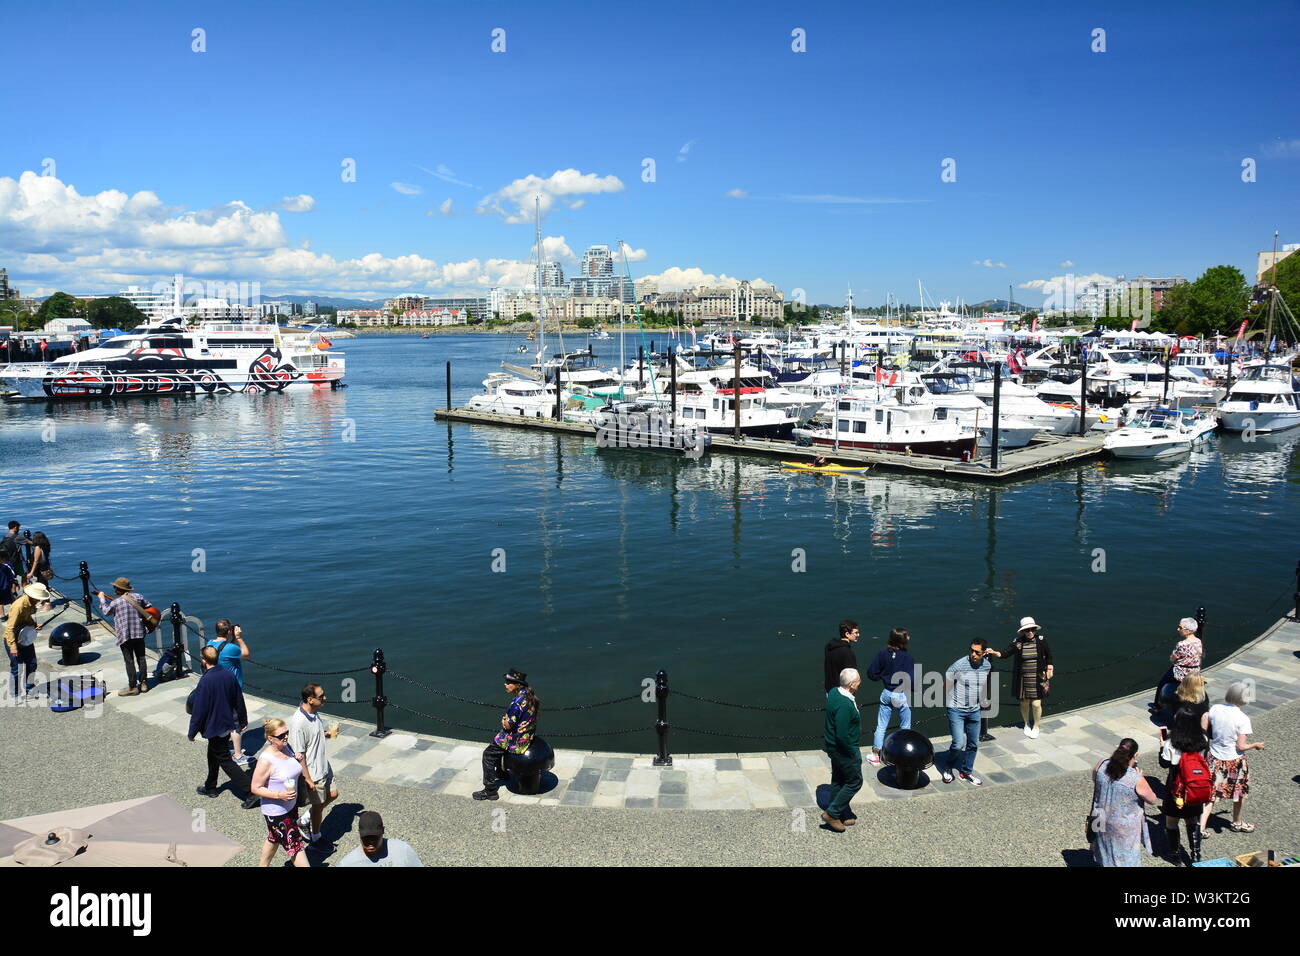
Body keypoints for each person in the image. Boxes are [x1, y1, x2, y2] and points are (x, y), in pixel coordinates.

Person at [187, 645, 259, 809]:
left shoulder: (205, 681)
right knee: (213, 754)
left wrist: (192, 732)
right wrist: (242, 720)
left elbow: (199, 710)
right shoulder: (227, 674)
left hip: (214, 726)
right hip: (227, 723)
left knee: (225, 760)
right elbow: (238, 699)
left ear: (204, 661)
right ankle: (211, 786)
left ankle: (250, 792)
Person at [1199, 682, 1265, 834]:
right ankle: (1237, 822)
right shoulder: (1243, 719)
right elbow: (1240, 747)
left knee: (1211, 794)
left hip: (1214, 757)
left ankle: (1201, 827)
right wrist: (1255, 745)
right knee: (1239, 793)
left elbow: (1205, 723)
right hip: (1234, 761)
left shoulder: (1215, 708)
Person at [251, 717, 312, 868]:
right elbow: (255, 788)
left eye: (287, 733)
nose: (285, 737)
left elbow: (287, 768)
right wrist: (280, 795)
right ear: (271, 738)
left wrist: (296, 759)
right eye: (281, 735)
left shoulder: (285, 747)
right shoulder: (265, 760)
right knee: (296, 846)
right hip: (276, 812)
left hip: (290, 806)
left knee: (274, 837)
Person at [1090, 738, 1158, 867]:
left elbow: (1095, 780)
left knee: (1104, 851)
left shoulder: (1102, 764)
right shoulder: (1135, 778)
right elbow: (1152, 799)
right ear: (1135, 755)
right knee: (1125, 858)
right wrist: (1141, 777)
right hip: (1123, 825)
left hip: (1100, 816)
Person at [473, 669, 540, 801]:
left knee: (488, 754)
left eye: (509, 682)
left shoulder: (516, 703)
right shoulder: (530, 696)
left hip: (515, 741)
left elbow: (508, 725)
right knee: (496, 745)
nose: (505, 684)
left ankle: (490, 790)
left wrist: (504, 719)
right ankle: (501, 773)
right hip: (527, 736)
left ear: (517, 685)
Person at [1159, 705, 1212, 864]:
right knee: (1192, 821)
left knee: (1171, 821)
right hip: (1194, 787)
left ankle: (1175, 856)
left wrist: (1161, 746)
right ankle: (1195, 854)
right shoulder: (1203, 739)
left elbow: (1163, 763)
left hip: (1175, 787)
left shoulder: (1171, 742)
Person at [289, 683, 341, 844]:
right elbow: (299, 754)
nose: (325, 698)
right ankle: (316, 837)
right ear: (310, 699)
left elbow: (313, 736)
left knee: (333, 794)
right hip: (313, 771)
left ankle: (304, 820)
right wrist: (308, 778)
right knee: (318, 807)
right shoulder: (298, 723)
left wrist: (326, 733)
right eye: (321, 696)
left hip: (323, 765)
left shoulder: (314, 714)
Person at [992, 616, 1054, 738]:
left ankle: (1036, 726)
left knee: (1036, 704)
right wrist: (994, 653)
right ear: (1023, 631)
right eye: (1027, 630)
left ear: (1035, 629)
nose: (1030, 632)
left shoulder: (1041, 641)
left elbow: (1049, 656)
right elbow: (1005, 653)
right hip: (1023, 678)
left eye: (1032, 629)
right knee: (1024, 702)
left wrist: (1050, 667)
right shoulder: (1018, 642)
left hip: (1038, 677)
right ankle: (1026, 724)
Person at [942, 639, 993, 786]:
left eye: (977, 652)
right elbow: (947, 681)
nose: (973, 654)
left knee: (973, 744)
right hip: (956, 709)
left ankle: (966, 772)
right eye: (971, 650)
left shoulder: (987, 666)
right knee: (958, 743)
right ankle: (948, 767)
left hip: (974, 710)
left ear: (984, 653)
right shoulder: (959, 664)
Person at [95, 577, 152, 697]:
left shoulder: (116, 602)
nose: (114, 589)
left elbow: (106, 611)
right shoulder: (139, 597)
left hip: (125, 635)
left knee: (129, 660)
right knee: (141, 658)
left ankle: (132, 687)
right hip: (139, 633)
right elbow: (148, 606)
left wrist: (101, 599)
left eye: (115, 587)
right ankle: (143, 683)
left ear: (119, 589)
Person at [865, 627, 914, 766]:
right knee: (905, 726)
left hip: (887, 692)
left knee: (881, 726)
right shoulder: (908, 657)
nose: (909, 638)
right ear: (902, 641)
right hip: (901, 694)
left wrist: (883, 676)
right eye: (907, 636)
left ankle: (875, 756)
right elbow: (913, 680)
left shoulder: (882, 654)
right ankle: (904, 755)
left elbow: (871, 673)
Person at [822, 667, 862, 832]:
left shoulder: (833, 692)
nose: (860, 684)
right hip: (844, 750)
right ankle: (832, 813)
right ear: (852, 685)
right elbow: (842, 734)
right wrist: (852, 753)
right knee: (854, 782)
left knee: (839, 779)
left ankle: (839, 810)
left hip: (832, 747)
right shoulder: (845, 705)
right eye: (859, 681)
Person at [204, 620, 250, 762]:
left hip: (216, 686)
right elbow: (246, 654)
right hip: (231, 690)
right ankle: (238, 755)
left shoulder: (210, 644)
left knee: (222, 715)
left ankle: (222, 745)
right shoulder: (231, 648)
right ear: (229, 631)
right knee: (235, 722)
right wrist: (239, 638)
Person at [4, 582, 50, 699]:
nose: (40, 600)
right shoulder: (18, 606)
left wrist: (34, 625)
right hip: (13, 639)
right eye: (39, 598)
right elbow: (9, 628)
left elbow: (27, 618)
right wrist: (13, 647)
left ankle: (29, 687)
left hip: (24, 637)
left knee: (32, 663)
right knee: (17, 668)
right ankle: (15, 693)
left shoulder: (31, 603)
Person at [337, 811, 424, 867]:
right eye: (366, 837)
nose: (370, 842)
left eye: (374, 837)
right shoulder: (348, 863)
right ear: (359, 833)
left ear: (382, 831)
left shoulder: (402, 850)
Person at [1151, 617, 1201, 710]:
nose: (1178, 629)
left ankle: (1156, 706)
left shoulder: (1182, 644)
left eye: (1180, 627)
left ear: (1188, 630)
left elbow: (1173, 659)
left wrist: (1173, 659)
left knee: (1162, 682)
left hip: (1181, 672)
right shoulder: (1198, 641)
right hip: (1194, 672)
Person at [824, 620, 859, 692]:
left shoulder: (829, 647)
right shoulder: (847, 653)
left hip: (830, 691)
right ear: (847, 634)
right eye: (856, 633)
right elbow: (851, 678)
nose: (858, 635)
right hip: (842, 692)